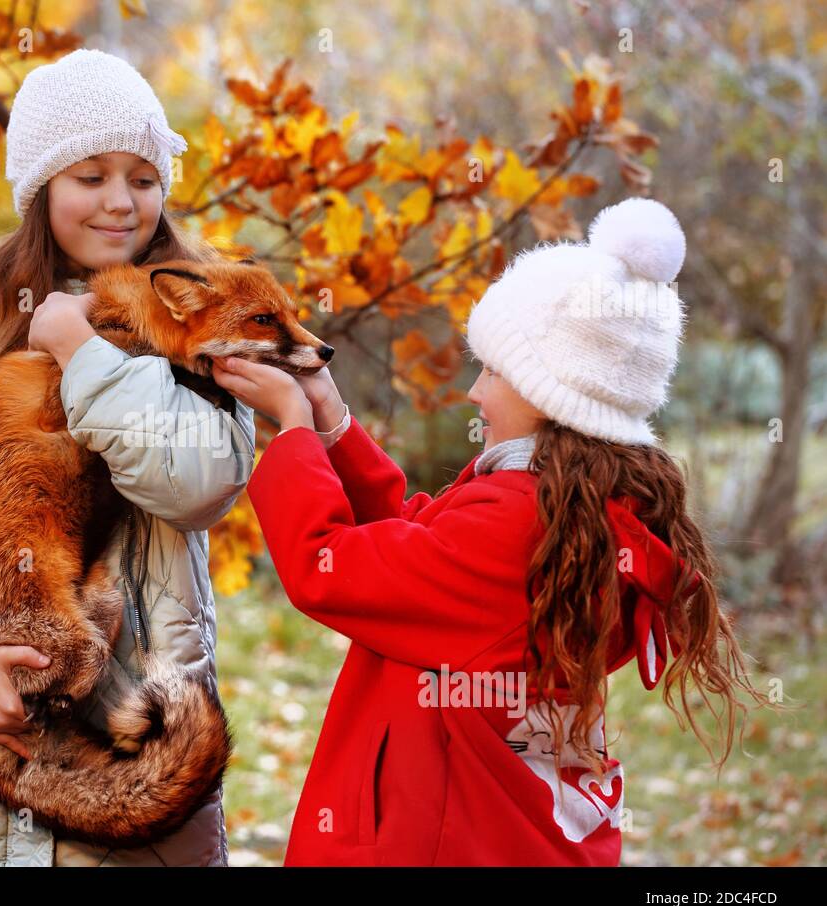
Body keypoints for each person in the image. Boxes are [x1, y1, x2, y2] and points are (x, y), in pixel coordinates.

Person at [211, 197, 767, 865]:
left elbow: (326, 565)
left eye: (496, 371)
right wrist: (332, 421)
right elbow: (418, 554)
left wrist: (294, 428)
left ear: (552, 394)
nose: (476, 392)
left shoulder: (518, 524)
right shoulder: (575, 507)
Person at [0, 48, 255, 866]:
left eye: (143, 176)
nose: (120, 201)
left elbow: (196, 484)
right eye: (90, 175)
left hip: (138, 756)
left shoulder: (199, 325)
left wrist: (87, 357)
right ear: (40, 190)